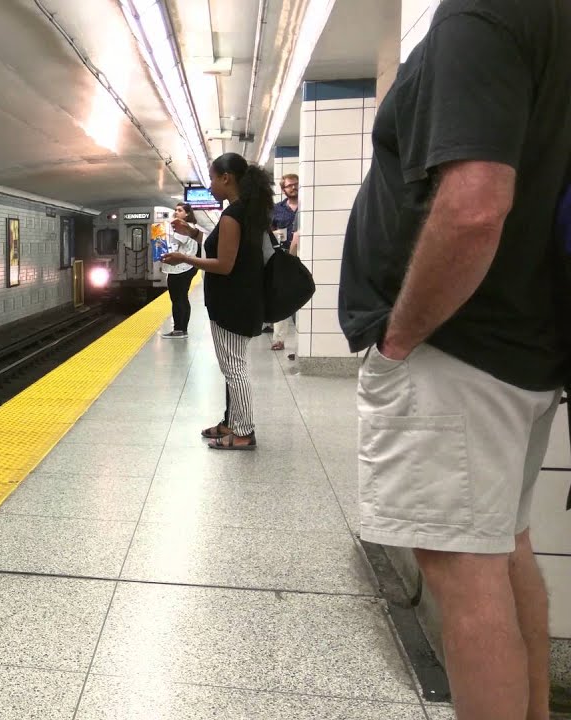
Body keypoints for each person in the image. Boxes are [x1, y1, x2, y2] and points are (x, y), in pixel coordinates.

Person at [338, 2, 571, 718]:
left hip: (456, 347)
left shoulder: (485, 12)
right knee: (503, 547)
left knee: (464, 571)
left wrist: (401, 337)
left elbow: (474, 205)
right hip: (521, 346)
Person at [163, 153, 273, 450]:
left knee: (234, 369)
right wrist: (192, 232)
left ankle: (244, 432)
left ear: (227, 178)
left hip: (232, 302)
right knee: (233, 367)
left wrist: (184, 257)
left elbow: (224, 264)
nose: (210, 186)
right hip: (241, 299)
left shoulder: (233, 214)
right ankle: (231, 422)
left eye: (212, 179)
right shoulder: (245, 210)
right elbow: (229, 248)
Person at [160, 203, 202, 339]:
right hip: (185, 267)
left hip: (180, 268)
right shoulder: (190, 227)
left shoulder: (183, 227)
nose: (176, 212)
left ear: (187, 213)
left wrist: (163, 231)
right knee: (182, 297)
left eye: (180, 210)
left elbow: (173, 241)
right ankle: (182, 329)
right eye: (176, 210)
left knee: (177, 299)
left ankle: (179, 330)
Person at [269, 174, 300, 350]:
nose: (294, 187)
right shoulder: (276, 209)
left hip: (306, 254)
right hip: (284, 255)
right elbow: (270, 230)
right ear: (283, 190)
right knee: (282, 295)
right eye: (289, 186)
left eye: (296, 184)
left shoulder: (308, 204)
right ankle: (278, 339)